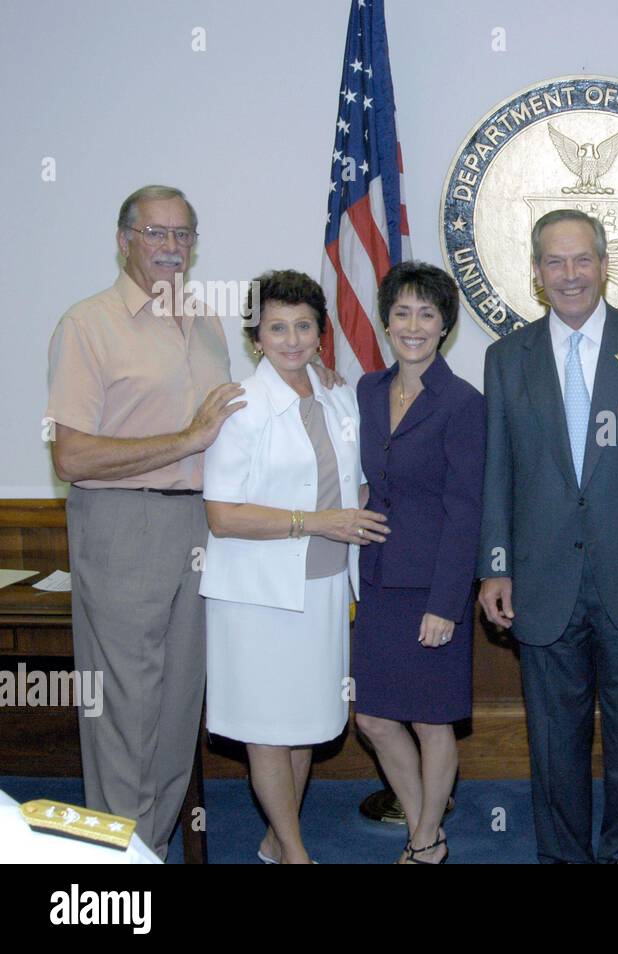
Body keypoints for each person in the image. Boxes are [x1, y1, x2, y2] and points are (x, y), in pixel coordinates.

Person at [477, 209, 618, 864]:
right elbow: (498, 470)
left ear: (604, 265)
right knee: (554, 742)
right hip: (541, 579)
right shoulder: (505, 358)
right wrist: (495, 565)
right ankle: (564, 857)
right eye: (555, 261)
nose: (570, 275)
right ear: (536, 271)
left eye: (582, 260)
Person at [46, 185, 239, 859]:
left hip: (198, 531)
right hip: (123, 526)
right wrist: (185, 440)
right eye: (155, 234)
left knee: (177, 716)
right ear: (123, 239)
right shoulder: (88, 325)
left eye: (183, 235)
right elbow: (71, 454)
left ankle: (146, 854)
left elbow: (228, 428)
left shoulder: (206, 322)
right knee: (125, 721)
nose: (171, 248)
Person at [200, 270, 383, 864]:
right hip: (256, 596)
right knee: (266, 727)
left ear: (320, 333)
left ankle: (278, 839)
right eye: (277, 327)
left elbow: (354, 483)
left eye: (303, 325)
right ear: (256, 338)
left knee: (305, 721)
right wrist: (315, 522)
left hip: (326, 586)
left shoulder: (337, 395)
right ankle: (297, 853)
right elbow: (223, 515)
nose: (292, 339)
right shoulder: (240, 406)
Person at [352, 262, 485, 865]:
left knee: (433, 722)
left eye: (427, 313)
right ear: (385, 321)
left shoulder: (462, 403)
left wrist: (446, 604)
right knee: (375, 717)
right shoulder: (367, 390)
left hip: (433, 587)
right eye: (402, 312)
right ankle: (420, 823)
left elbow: (466, 510)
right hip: (378, 581)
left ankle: (427, 839)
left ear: (445, 326)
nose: (413, 325)